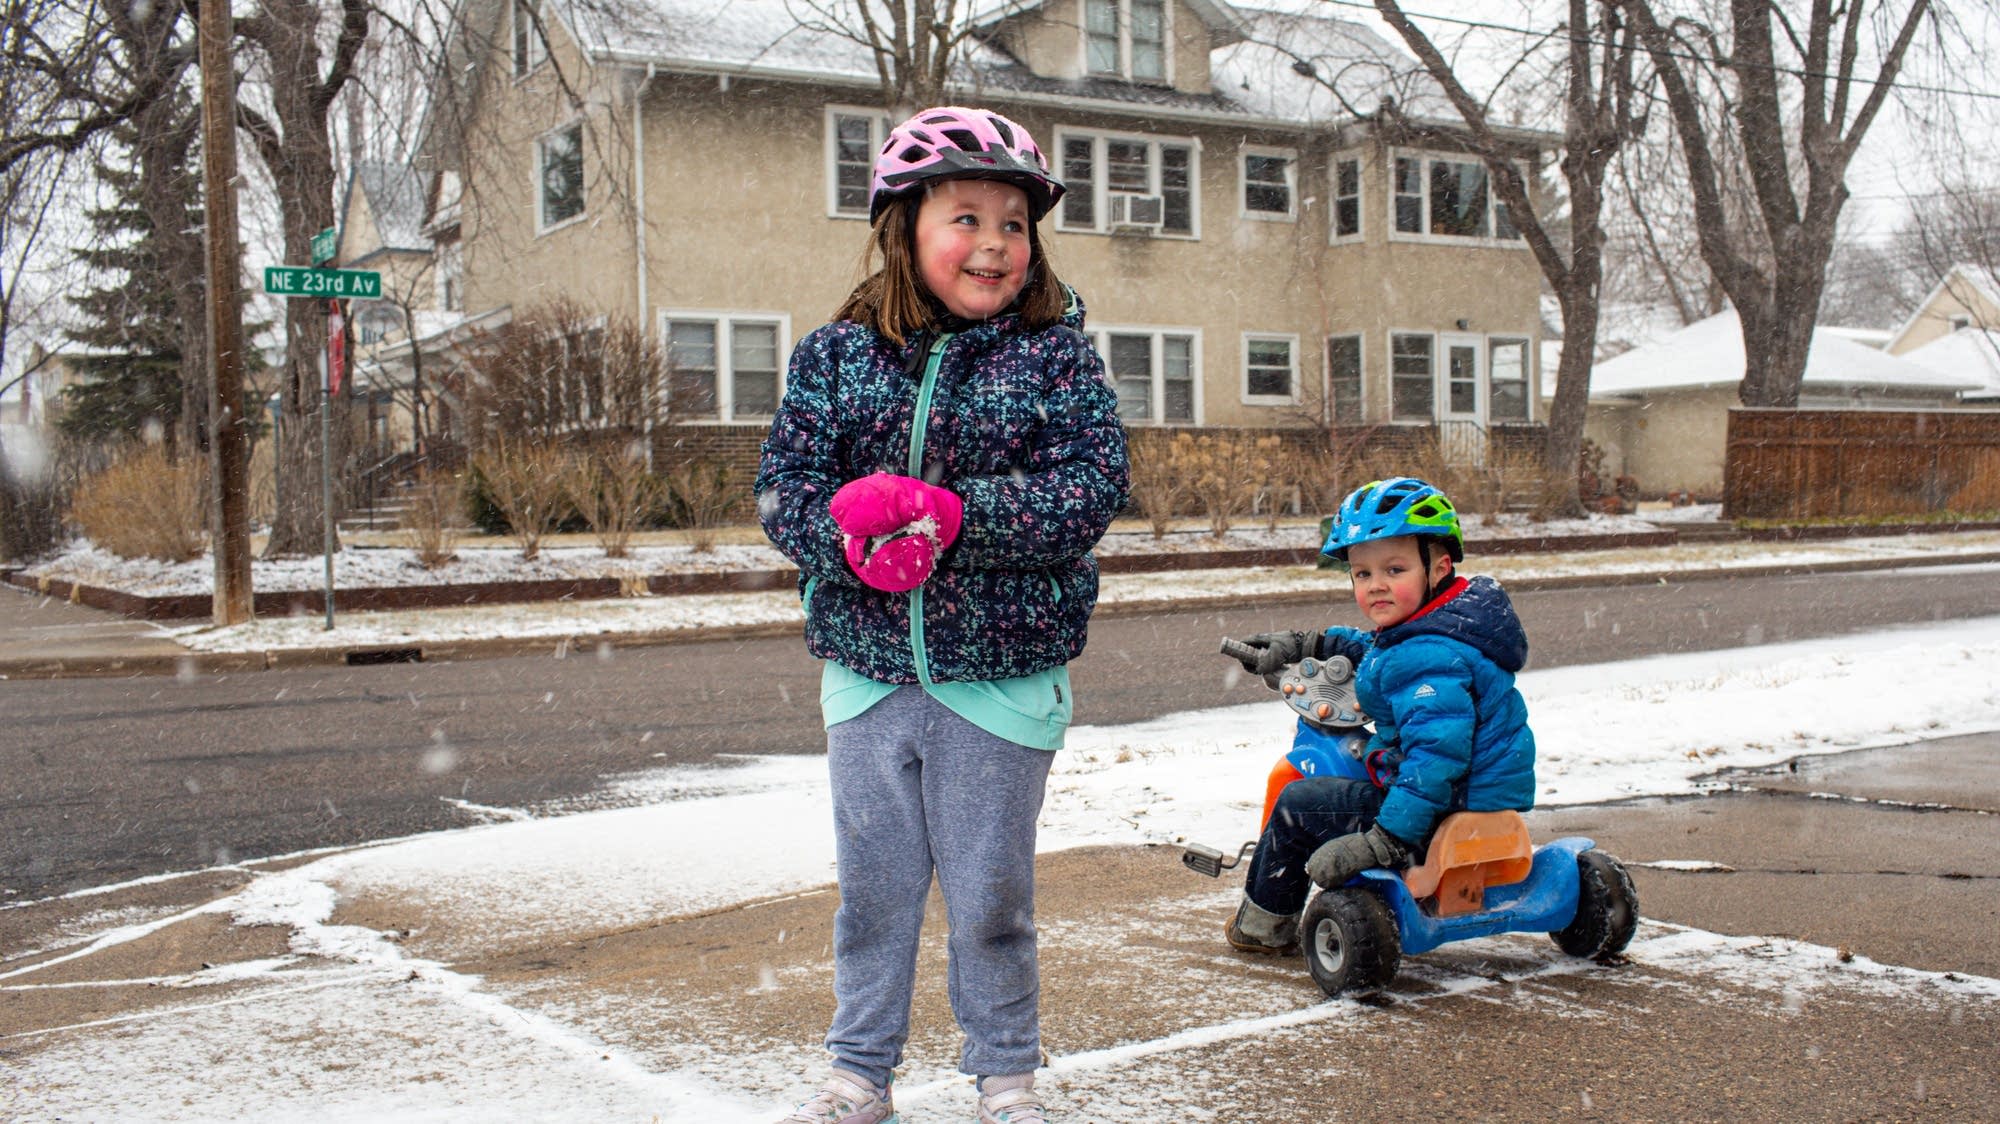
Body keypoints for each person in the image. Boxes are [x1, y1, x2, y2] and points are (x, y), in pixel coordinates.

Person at [753, 105, 1129, 1124]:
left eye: (1014, 224)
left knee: (988, 903)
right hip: (868, 675)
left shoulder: (1054, 357)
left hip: (998, 682)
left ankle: (1004, 1077)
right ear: (904, 227)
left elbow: (1089, 489)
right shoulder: (833, 356)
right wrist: (845, 530)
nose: (995, 244)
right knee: (870, 896)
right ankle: (857, 1073)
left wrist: (955, 519)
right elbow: (780, 486)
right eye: (967, 218)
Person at [1223, 476, 1536, 953]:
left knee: (1300, 805)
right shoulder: (1446, 627)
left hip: (1437, 805)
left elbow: (1433, 761)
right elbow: (1374, 644)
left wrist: (1385, 839)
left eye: (1394, 569)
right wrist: (1306, 642)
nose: (1377, 586)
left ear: (1439, 566)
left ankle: (1263, 926)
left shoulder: (1427, 656)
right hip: (1476, 792)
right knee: (1356, 768)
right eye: (1363, 574)